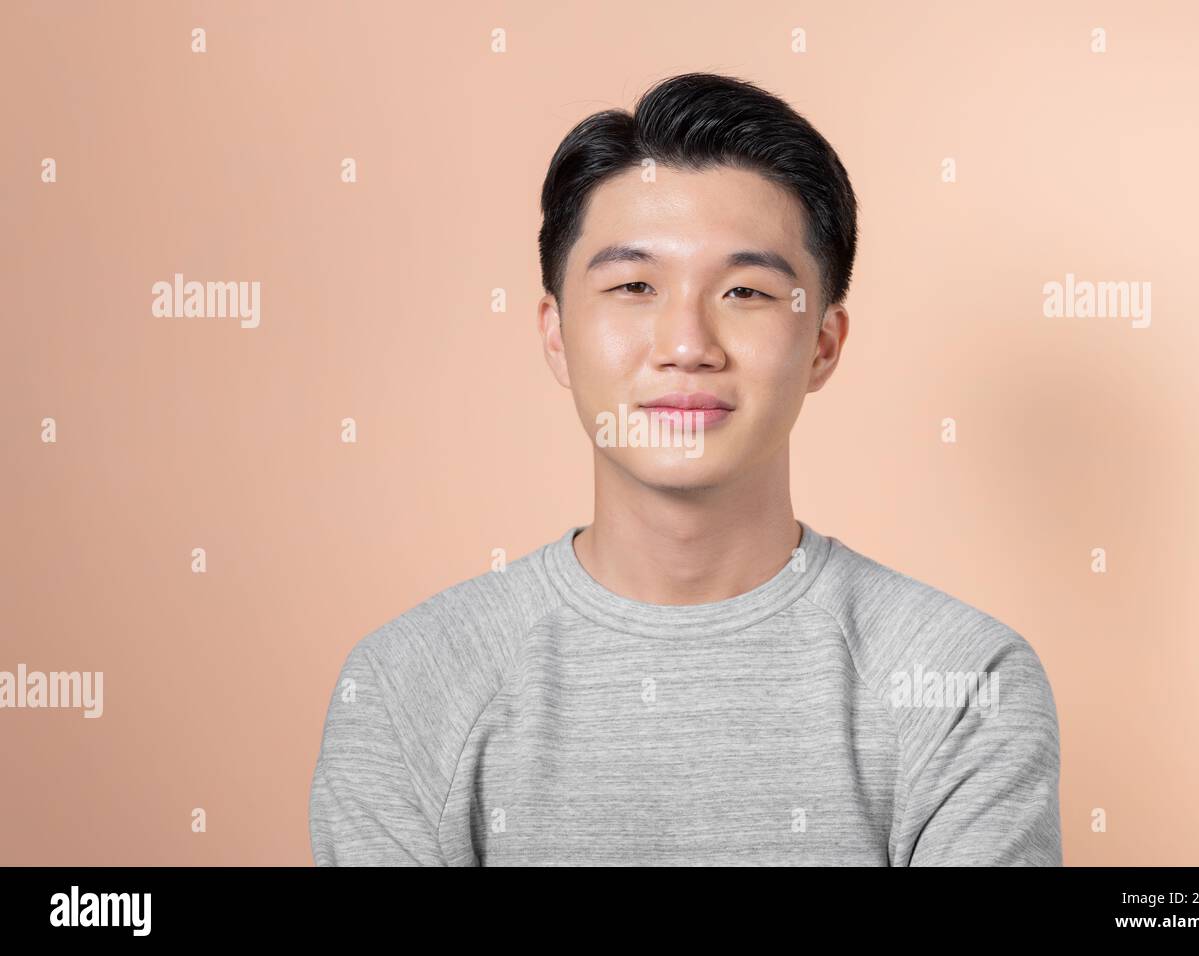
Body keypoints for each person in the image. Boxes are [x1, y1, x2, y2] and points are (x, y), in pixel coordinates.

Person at [309, 72, 1062, 866]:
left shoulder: (959, 681)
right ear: (556, 334)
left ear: (824, 345)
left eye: (745, 290)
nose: (686, 343)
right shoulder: (406, 686)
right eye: (634, 286)